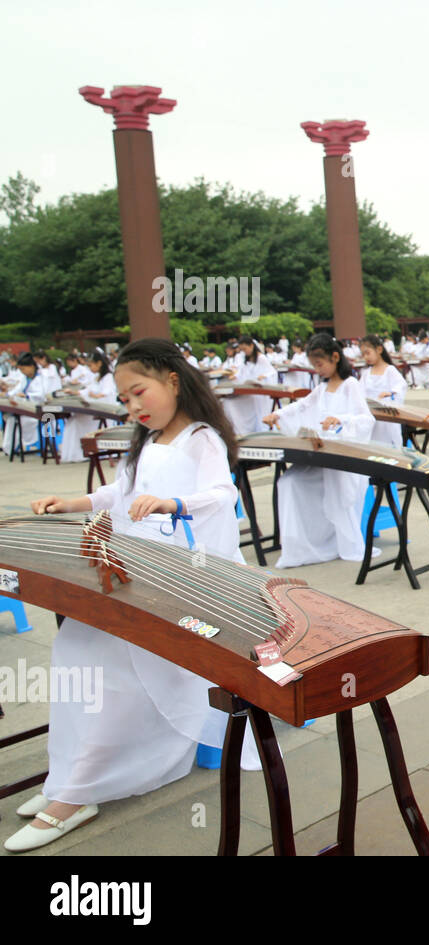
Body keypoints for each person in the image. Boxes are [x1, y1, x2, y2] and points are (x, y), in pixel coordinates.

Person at [8, 339, 251, 853]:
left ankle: (78, 791)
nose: (133, 407)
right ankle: (71, 777)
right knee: (75, 648)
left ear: (172, 380)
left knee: (105, 661)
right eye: (123, 400)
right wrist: (71, 501)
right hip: (136, 571)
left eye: (138, 392)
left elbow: (223, 494)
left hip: (180, 578)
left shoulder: (201, 438)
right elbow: (120, 492)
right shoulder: (149, 439)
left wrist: (175, 502)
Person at [262, 334, 375, 568]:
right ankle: (302, 545)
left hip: (343, 459)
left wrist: (340, 420)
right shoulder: (321, 389)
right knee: (288, 482)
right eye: (314, 366)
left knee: (311, 484)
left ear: (335, 357)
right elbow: (301, 406)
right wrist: (278, 415)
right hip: (323, 455)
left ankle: (329, 541)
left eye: (320, 364)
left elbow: (366, 419)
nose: (317, 370)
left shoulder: (349, 385)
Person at [58, 349, 118, 464]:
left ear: (99, 364)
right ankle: (76, 454)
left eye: (91, 365)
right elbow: (87, 391)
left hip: (102, 410)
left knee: (75, 422)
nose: (90, 368)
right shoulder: (97, 377)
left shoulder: (108, 377)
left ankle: (82, 452)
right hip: (93, 408)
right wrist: (74, 392)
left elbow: (107, 394)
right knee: (72, 420)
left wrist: (95, 396)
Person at [358, 333, 408, 449]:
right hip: (371, 417)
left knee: (387, 446)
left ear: (379, 349)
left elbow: (401, 387)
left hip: (387, 418)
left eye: (368, 353)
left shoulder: (389, 370)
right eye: (363, 354)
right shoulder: (366, 374)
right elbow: (359, 393)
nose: (366, 357)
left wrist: (391, 394)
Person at [221, 336, 275, 435]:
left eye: (245, 349)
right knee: (227, 402)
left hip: (258, 393)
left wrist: (263, 377)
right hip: (248, 390)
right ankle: (239, 430)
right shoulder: (246, 359)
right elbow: (241, 372)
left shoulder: (261, 358)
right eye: (242, 350)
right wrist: (235, 376)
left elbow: (271, 373)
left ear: (251, 346)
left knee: (231, 403)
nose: (244, 352)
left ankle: (249, 430)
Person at [2, 353, 47, 457]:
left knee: (16, 421)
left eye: (23, 369)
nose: (22, 372)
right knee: (11, 420)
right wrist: (8, 395)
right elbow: (17, 390)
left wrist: (26, 396)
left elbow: (41, 395)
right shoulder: (25, 378)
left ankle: (15, 446)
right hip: (25, 409)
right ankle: (10, 447)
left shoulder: (41, 377)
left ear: (31, 366)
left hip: (37, 411)